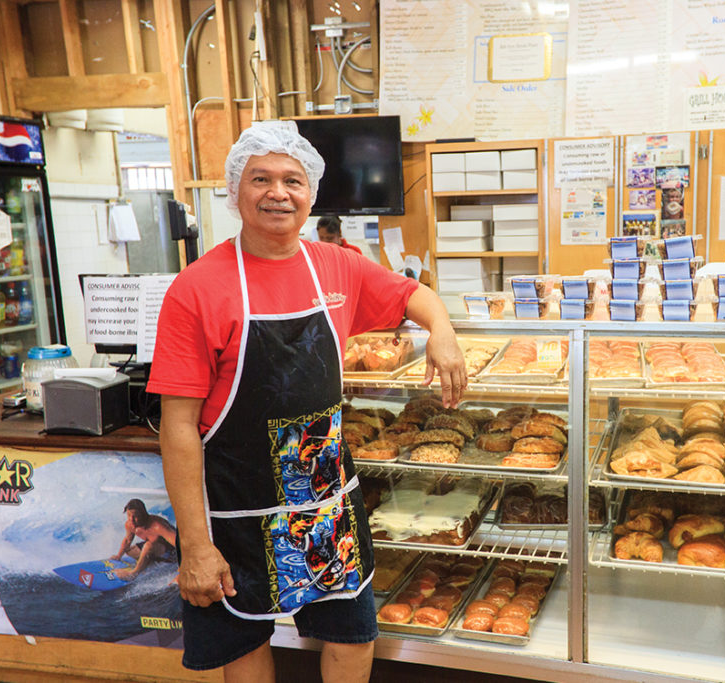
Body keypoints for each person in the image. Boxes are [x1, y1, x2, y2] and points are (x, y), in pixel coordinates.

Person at [146, 121, 466, 682]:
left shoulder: (335, 264)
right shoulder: (196, 288)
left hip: (323, 502)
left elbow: (415, 294)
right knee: (244, 645)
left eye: (292, 180)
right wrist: (194, 544)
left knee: (352, 635)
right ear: (235, 190)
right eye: (260, 179)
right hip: (236, 507)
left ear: (311, 192)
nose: (278, 192)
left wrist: (441, 330)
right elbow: (178, 428)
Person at [111, 498, 177, 581]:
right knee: (128, 550)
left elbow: (179, 544)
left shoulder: (158, 526)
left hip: (171, 553)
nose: (131, 519)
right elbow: (127, 540)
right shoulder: (130, 525)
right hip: (155, 549)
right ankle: (147, 561)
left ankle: (133, 574)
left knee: (148, 545)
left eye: (135, 516)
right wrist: (119, 556)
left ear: (143, 514)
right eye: (128, 515)